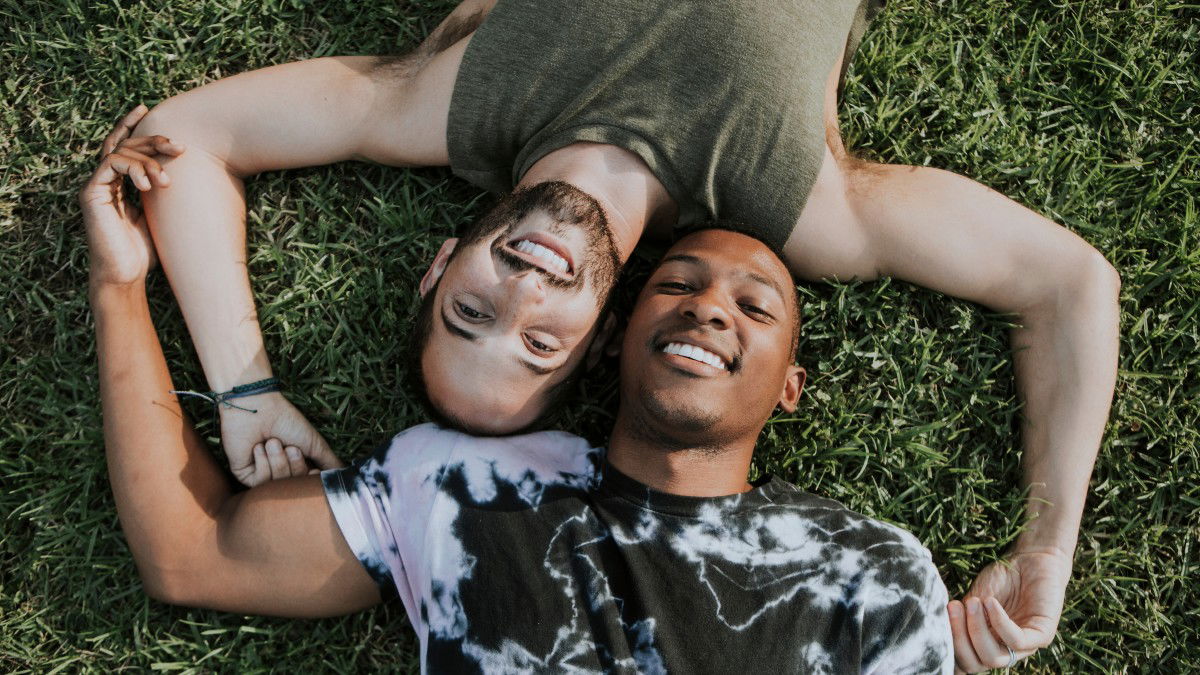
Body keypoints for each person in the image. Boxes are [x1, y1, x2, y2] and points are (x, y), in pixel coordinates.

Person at [107, 0, 1119, 669]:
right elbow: (1069, 286)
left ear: (440, 263)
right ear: (605, 339)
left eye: (470, 311)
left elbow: (179, 143)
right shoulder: (804, 206)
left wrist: (246, 391)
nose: (525, 294)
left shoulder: (444, 104)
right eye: (539, 343)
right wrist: (1050, 549)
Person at [84, 137, 956, 672]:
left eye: (755, 308)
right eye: (676, 284)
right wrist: (119, 289)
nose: (707, 307)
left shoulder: (874, 574)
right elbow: (189, 553)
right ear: (614, 338)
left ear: (791, 386)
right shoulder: (457, 485)